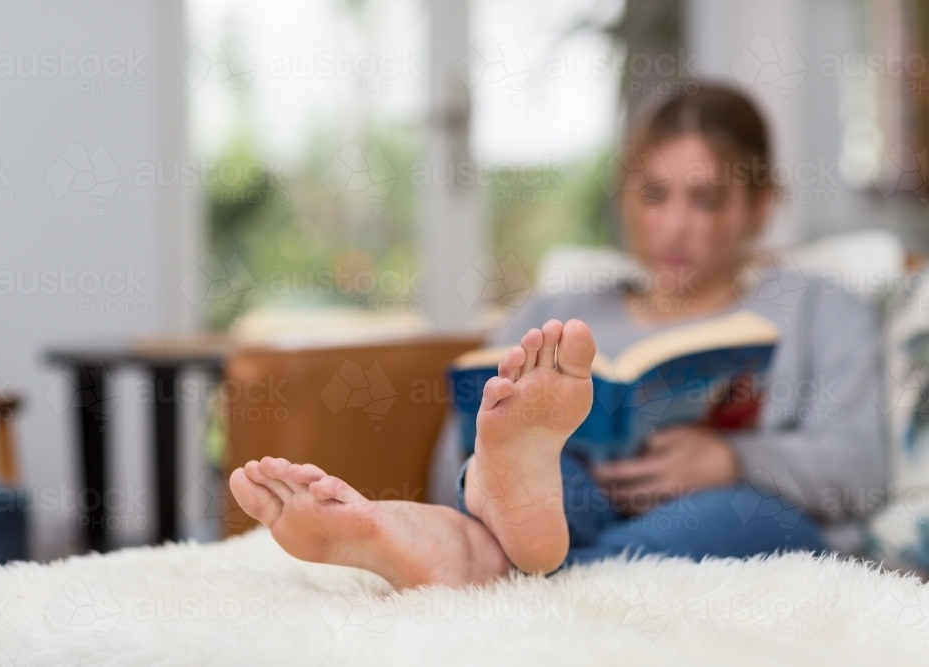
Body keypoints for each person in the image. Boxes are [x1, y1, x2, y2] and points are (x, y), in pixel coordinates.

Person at [228, 84, 887, 588]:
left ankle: (468, 554)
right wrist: (491, 475)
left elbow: (861, 470)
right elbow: (461, 445)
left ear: (760, 206)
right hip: (581, 505)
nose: (674, 226)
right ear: (625, 197)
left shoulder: (818, 305)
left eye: (706, 199)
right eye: (654, 195)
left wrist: (735, 460)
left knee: (728, 509)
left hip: (742, 513)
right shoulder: (560, 309)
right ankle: (510, 531)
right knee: (542, 468)